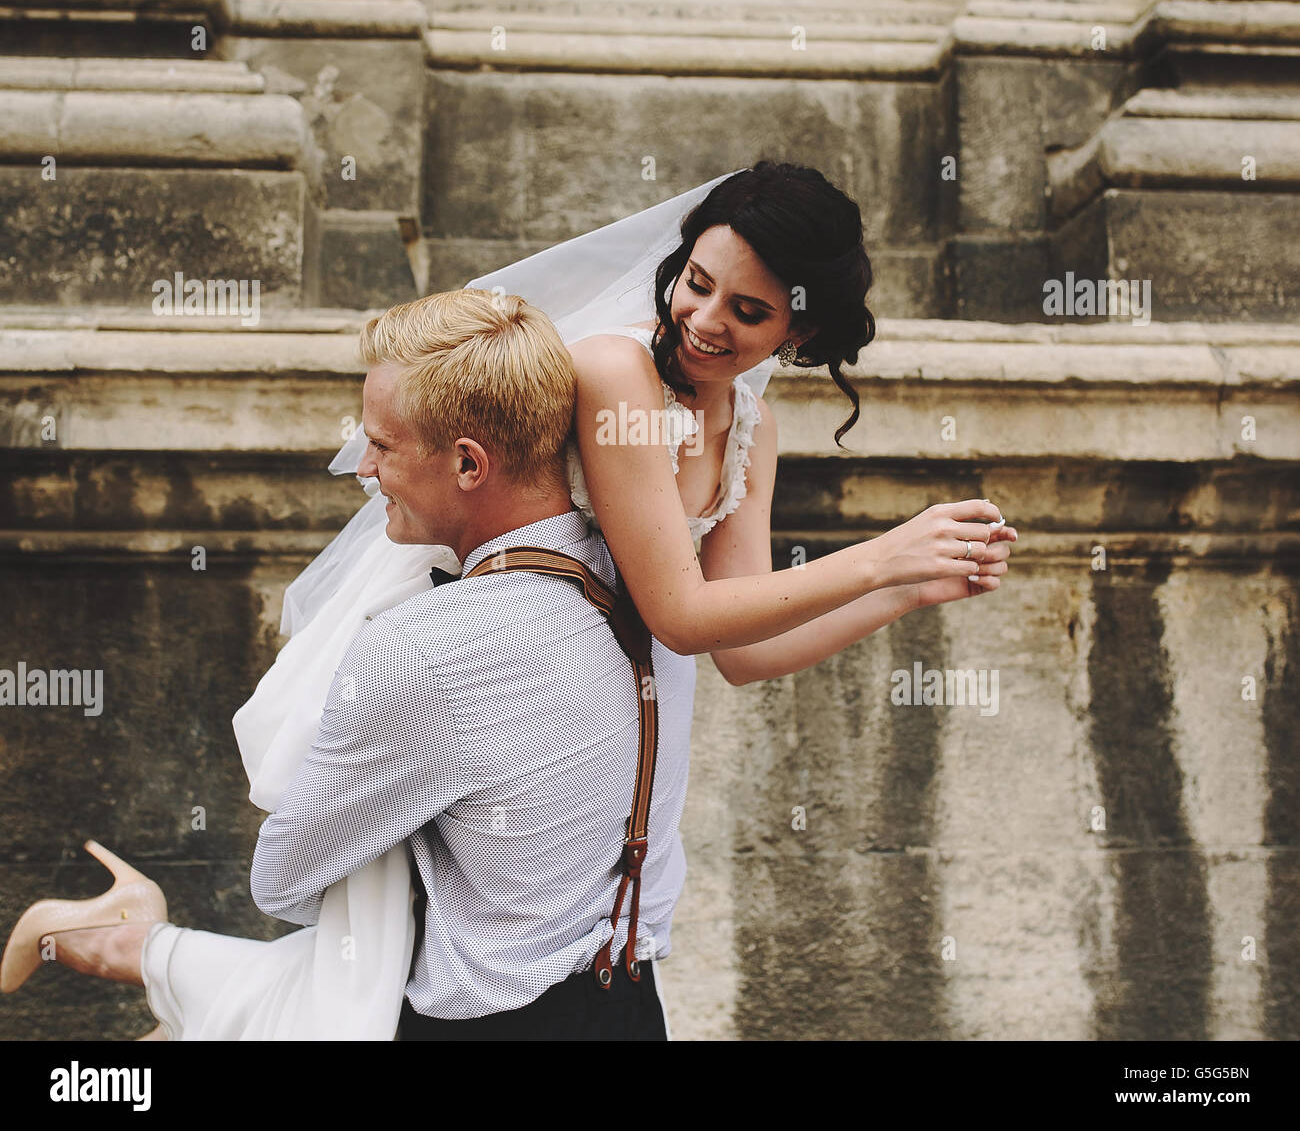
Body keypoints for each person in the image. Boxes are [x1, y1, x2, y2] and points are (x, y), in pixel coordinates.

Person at [1, 162, 1017, 1040]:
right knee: (370, 961)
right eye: (697, 285)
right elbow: (675, 608)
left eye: (747, 311)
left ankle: (126, 937)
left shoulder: (749, 423)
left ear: (803, 325)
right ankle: (125, 940)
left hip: (613, 755)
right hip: (503, 679)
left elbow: (743, 643)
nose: (704, 321)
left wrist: (909, 589)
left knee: (374, 972)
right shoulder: (617, 376)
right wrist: (880, 556)